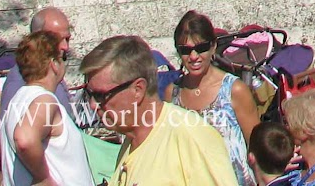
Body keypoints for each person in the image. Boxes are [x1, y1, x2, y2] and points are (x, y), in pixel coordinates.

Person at [81, 35, 237, 186]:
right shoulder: (131, 141)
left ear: (138, 90)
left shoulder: (191, 137)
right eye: (89, 94)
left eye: (100, 95)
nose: (93, 105)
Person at [165, 12, 259, 186]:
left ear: (213, 46)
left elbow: (258, 148)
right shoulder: (172, 94)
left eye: (201, 48)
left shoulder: (235, 90)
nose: (193, 57)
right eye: (185, 50)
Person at [1, 31, 95, 186]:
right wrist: (43, 178)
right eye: (63, 57)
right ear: (53, 64)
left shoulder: (16, 102)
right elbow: (24, 139)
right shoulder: (45, 100)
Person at [1, 7, 81, 122]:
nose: (65, 47)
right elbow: (22, 136)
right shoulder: (23, 80)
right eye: (57, 39)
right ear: (38, 38)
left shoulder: (46, 72)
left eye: (67, 39)